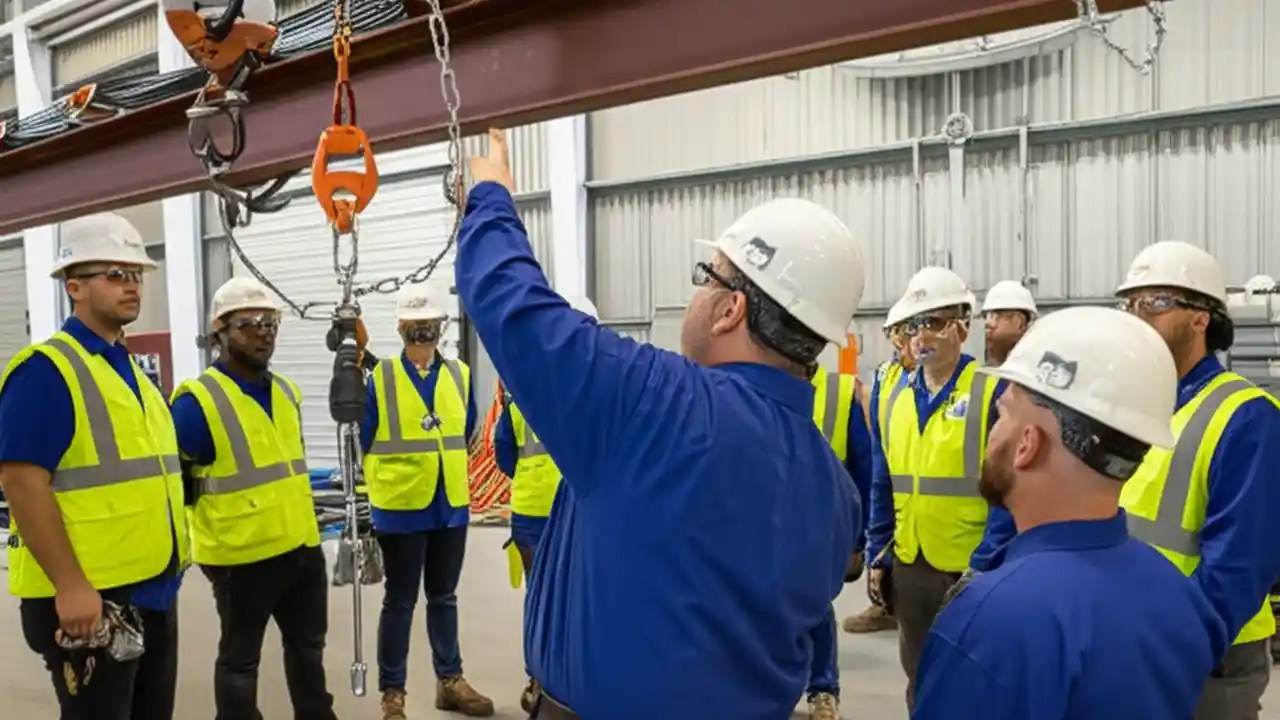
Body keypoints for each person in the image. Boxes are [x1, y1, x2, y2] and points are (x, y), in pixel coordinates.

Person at [458, 128, 866, 720]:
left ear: (733, 309)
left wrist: (491, 194)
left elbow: (514, 308)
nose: (697, 291)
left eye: (709, 276)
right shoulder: (835, 490)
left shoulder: (654, 403)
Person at [911, 306, 1229, 719]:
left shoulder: (992, 621)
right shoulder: (1180, 594)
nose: (990, 431)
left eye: (1003, 414)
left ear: (1028, 444)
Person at [0, 213, 188, 719]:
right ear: (74, 285)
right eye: (114, 274)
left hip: (151, 591)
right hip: (91, 602)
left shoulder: (133, 376)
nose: (131, 286)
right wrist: (71, 585)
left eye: (136, 275)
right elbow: (20, 481)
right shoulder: (47, 371)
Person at [1115, 241, 1280, 720]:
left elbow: (1239, 566)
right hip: (1132, 636)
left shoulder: (1247, 418)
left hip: (1205, 654)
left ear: (1200, 317)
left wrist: (1171, 642)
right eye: (1131, 303)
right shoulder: (1135, 405)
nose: (1138, 315)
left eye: (1156, 302)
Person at [169, 277, 336, 720]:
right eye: (250, 323)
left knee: (308, 649)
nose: (264, 332)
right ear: (219, 332)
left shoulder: (285, 392)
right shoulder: (195, 404)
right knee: (241, 661)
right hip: (240, 557)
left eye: (271, 322)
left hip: (300, 546)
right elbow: (175, 484)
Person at [862, 266, 1016, 712]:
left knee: (977, 677)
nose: (920, 335)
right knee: (920, 674)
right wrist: (878, 550)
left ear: (962, 327)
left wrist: (988, 559)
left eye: (933, 321)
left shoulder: (993, 391)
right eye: (914, 324)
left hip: (972, 567)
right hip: (912, 563)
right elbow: (882, 479)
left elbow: (1010, 490)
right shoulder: (892, 395)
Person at [361, 282, 493, 719]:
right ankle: (392, 694)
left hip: (449, 504)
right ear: (401, 328)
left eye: (430, 327)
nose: (424, 336)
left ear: (443, 327)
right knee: (400, 600)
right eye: (416, 328)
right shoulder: (378, 379)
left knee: (444, 595)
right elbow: (364, 439)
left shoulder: (459, 374)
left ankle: (449, 680)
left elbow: (467, 430)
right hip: (400, 508)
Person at [494, 293, 600, 714]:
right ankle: (576, 685)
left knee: (540, 603)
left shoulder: (523, 389)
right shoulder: (600, 392)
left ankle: (538, 682)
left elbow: (504, 453)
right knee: (583, 602)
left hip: (533, 513)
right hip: (580, 517)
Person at [843, 296, 914, 636]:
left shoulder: (950, 382)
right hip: (891, 478)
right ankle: (885, 604)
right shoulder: (888, 376)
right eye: (897, 334)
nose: (903, 341)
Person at [805, 363, 872, 720]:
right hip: (763, 520)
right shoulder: (744, 382)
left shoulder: (840, 393)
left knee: (816, 607)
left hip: (822, 525)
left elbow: (863, 469)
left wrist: (859, 539)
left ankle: (822, 689)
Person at [981, 280, 1036, 366]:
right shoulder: (979, 376)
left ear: (1020, 323)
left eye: (997, 315)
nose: (988, 323)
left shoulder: (1039, 372)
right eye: (986, 316)